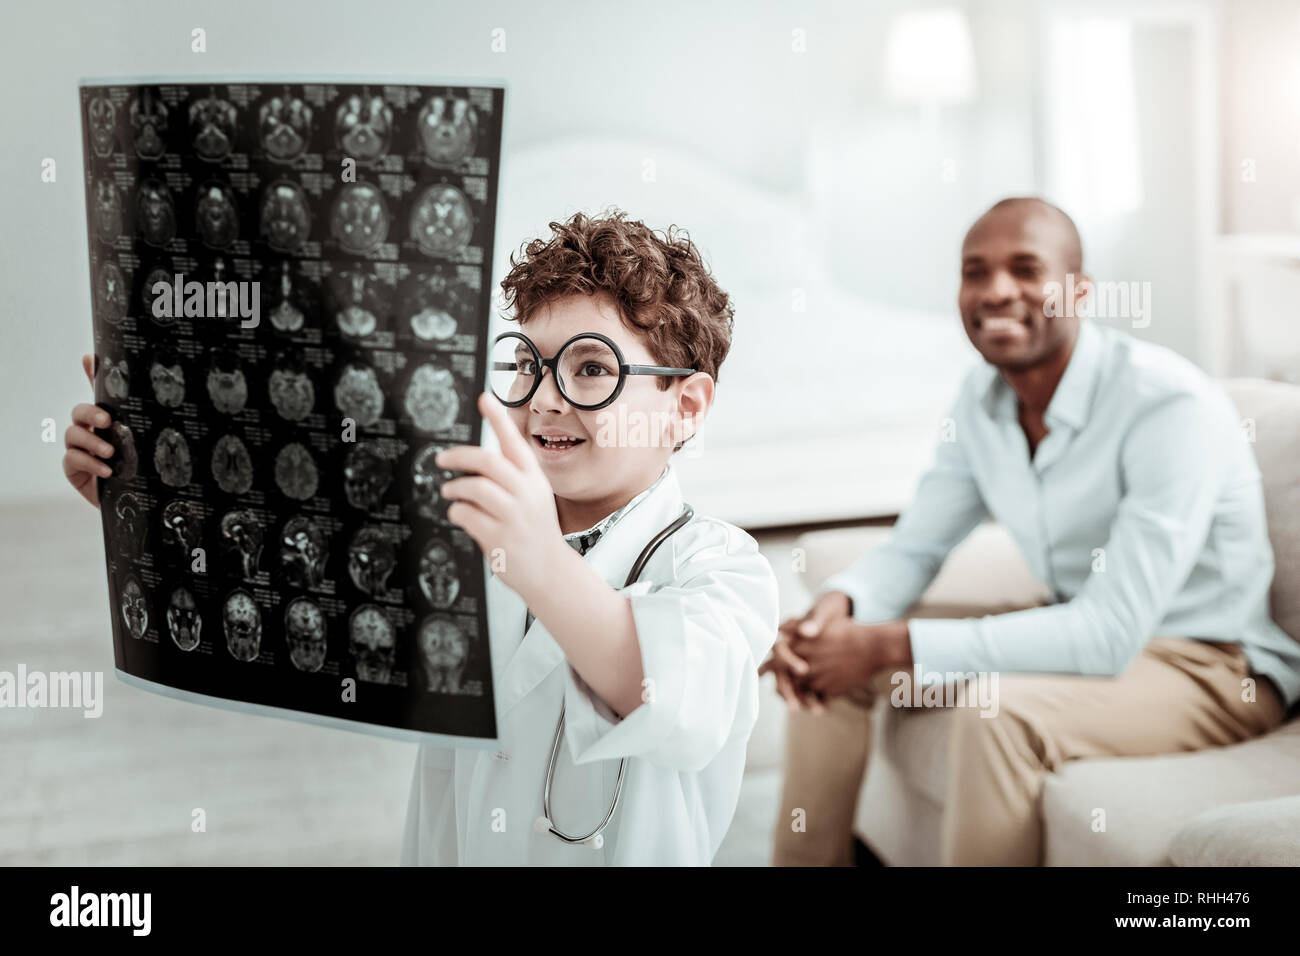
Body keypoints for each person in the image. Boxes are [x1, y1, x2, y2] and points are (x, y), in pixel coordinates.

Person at [63, 210, 778, 866]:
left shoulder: (721, 569)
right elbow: (284, 577)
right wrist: (146, 492)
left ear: (686, 406)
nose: (546, 398)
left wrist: (531, 558)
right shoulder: (462, 532)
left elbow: (664, 688)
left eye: (591, 368)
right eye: (528, 366)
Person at [762, 197, 1300, 866]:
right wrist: (836, 615)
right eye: (975, 271)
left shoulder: (1167, 406)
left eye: (1025, 269)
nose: (996, 291)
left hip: (1213, 666)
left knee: (996, 717)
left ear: (1078, 290)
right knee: (829, 661)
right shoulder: (983, 403)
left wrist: (885, 645)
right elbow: (916, 545)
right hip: (1077, 624)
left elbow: (1108, 634)